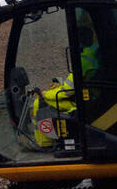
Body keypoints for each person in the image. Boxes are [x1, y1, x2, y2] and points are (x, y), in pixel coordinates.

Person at [30, 16, 99, 148]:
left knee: (39, 103)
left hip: (83, 103)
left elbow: (66, 92)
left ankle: (45, 144)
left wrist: (45, 94)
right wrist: (59, 86)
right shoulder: (91, 56)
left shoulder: (82, 61)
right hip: (91, 97)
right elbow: (72, 85)